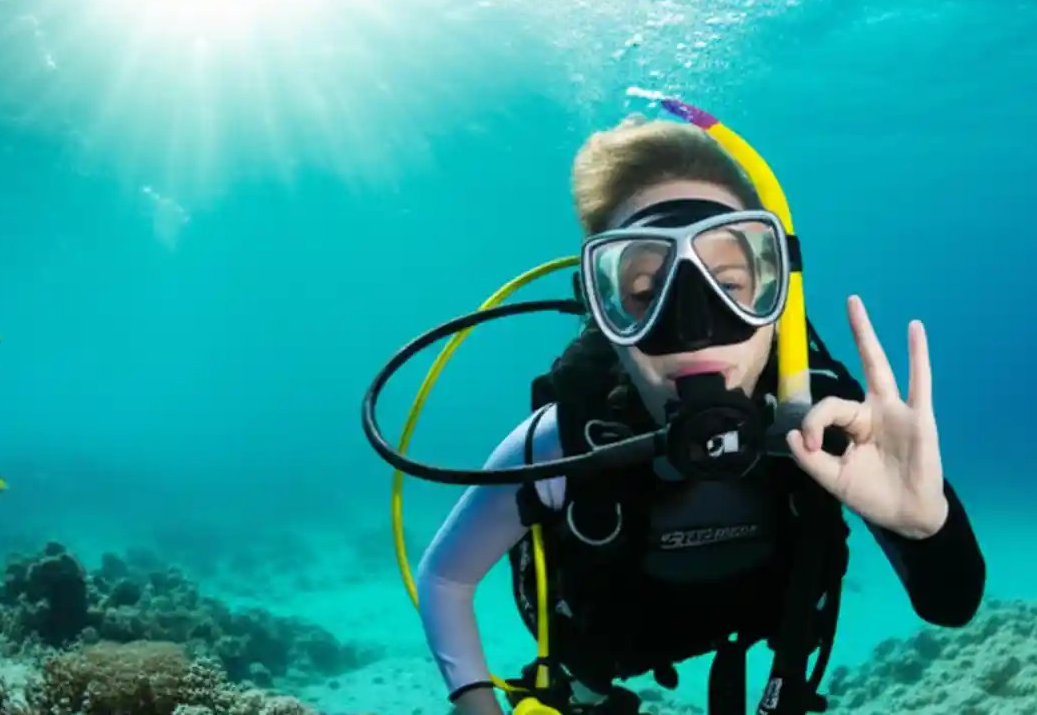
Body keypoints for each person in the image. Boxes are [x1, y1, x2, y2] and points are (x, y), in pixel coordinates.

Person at [414, 114, 986, 715]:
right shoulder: (564, 446)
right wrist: (476, 705)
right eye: (642, 293)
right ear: (603, 312)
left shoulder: (827, 430)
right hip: (605, 657)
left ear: (776, 290)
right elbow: (445, 579)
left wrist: (927, 528)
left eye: (730, 284)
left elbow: (951, 605)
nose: (691, 327)